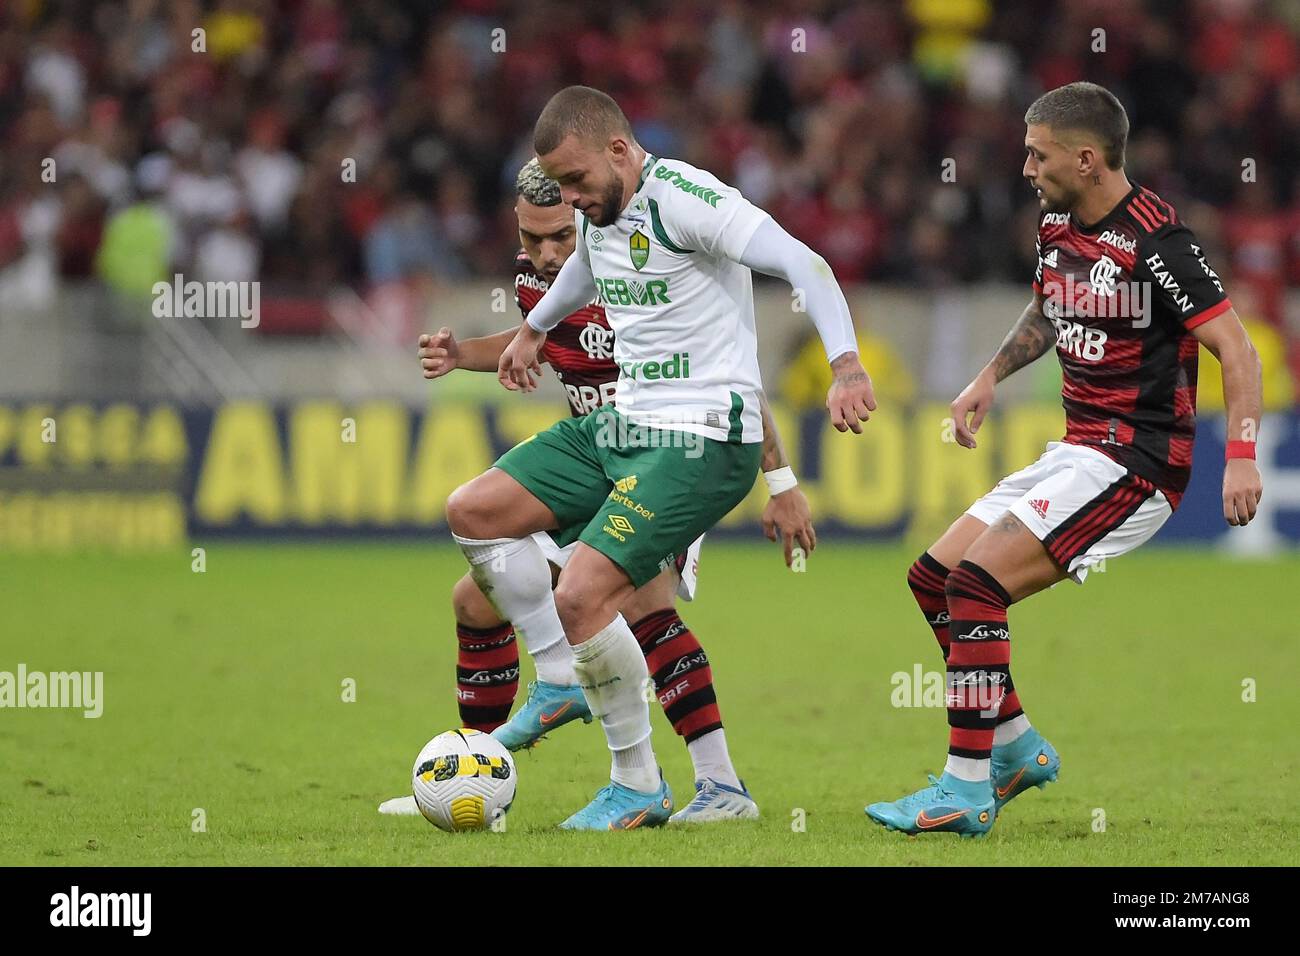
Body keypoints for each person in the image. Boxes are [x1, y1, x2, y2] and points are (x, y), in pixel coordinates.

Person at [448, 85, 876, 830]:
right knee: (474, 511)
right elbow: (585, 267)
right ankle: (558, 678)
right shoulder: (600, 216)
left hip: (702, 436)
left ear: (620, 150)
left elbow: (807, 266)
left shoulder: (689, 200)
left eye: (578, 181)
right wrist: (533, 331)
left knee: (587, 594)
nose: (572, 200)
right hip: (625, 425)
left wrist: (846, 367)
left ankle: (639, 782)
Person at [866, 82, 1264, 837]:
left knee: (978, 585)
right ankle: (1013, 748)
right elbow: (1051, 307)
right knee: (934, 580)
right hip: (1079, 446)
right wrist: (989, 376)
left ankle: (963, 789)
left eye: (1037, 153)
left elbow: (1236, 349)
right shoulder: (1055, 222)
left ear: (1086, 159)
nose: (1025, 166)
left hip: (1137, 460)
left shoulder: (1160, 242)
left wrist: (1239, 458)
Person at [382, 158, 815, 824]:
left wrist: (779, 480)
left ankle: (717, 782)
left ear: (587, 213)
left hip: (670, 458)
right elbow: (542, 335)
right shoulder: (538, 278)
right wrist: (463, 353)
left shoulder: (636, 273)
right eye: (532, 239)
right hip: (598, 452)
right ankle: (474, 773)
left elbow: (734, 375)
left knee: (640, 606)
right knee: (476, 600)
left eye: (561, 236)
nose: (549, 255)